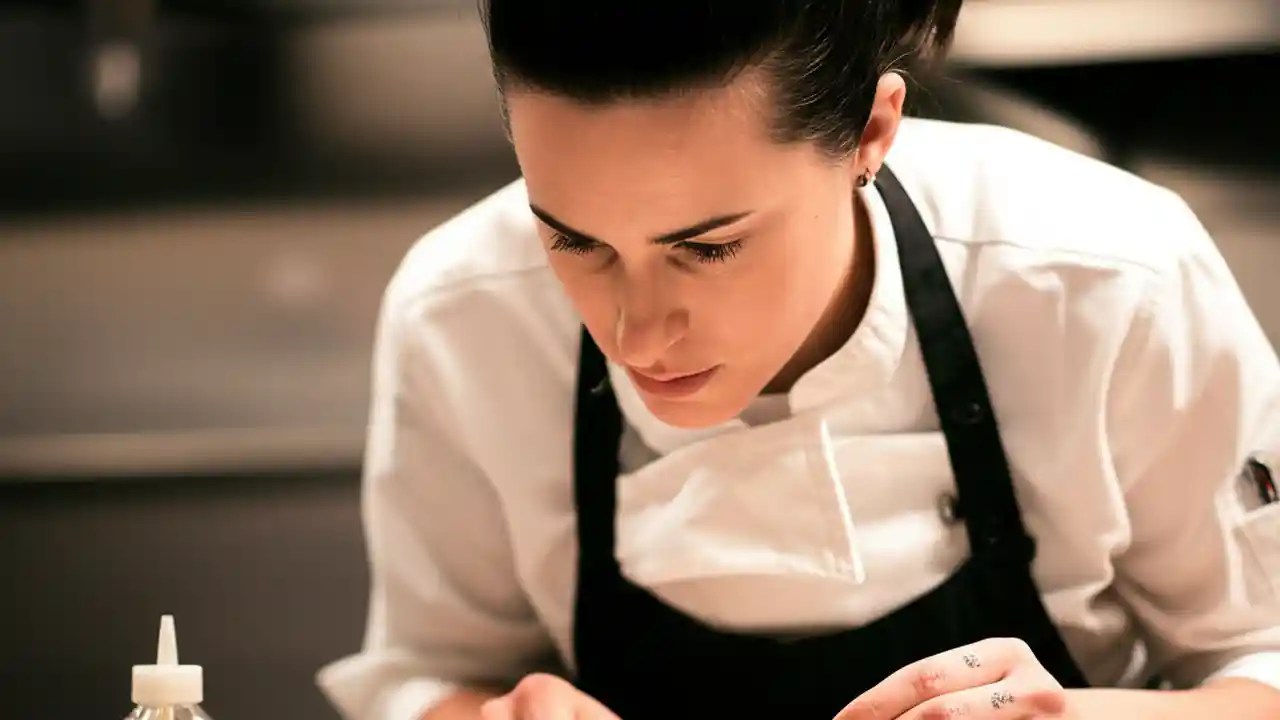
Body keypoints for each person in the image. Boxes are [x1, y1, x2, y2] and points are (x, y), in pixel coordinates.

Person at [316, 1, 1280, 718]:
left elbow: (1264, 659)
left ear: (872, 130)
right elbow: (421, 673)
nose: (637, 335)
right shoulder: (462, 316)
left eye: (709, 247)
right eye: (573, 241)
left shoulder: (1106, 277)